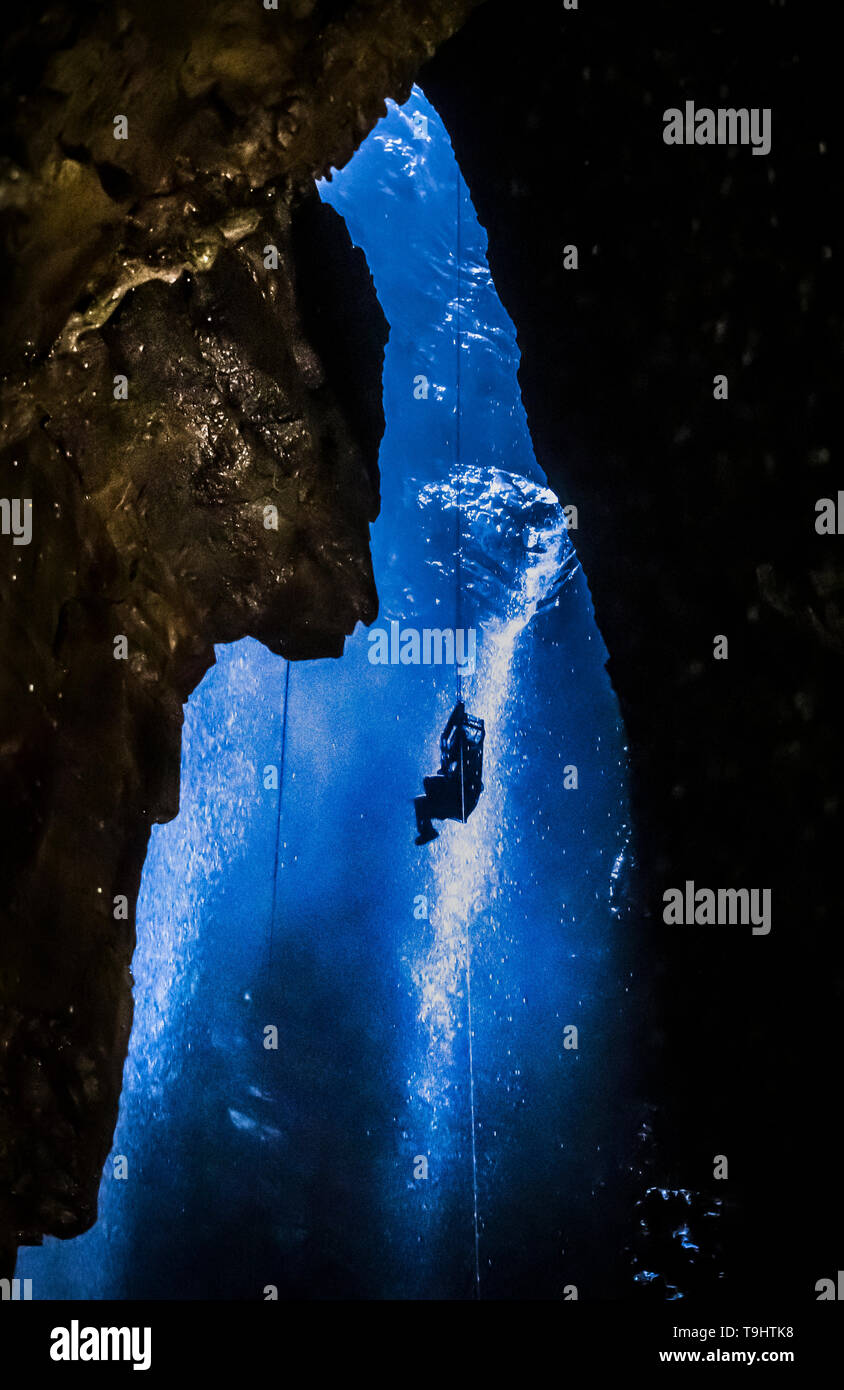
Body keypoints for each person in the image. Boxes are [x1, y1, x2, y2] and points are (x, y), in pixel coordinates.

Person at [414, 701, 485, 845]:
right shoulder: (464, 752)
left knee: (426, 786)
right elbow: (448, 733)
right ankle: (427, 831)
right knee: (420, 803)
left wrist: (457, 715)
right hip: (456, 799)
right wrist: (457, 713)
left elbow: (450, 735)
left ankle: (427, 831)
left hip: (460, 801)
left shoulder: (466, 753)